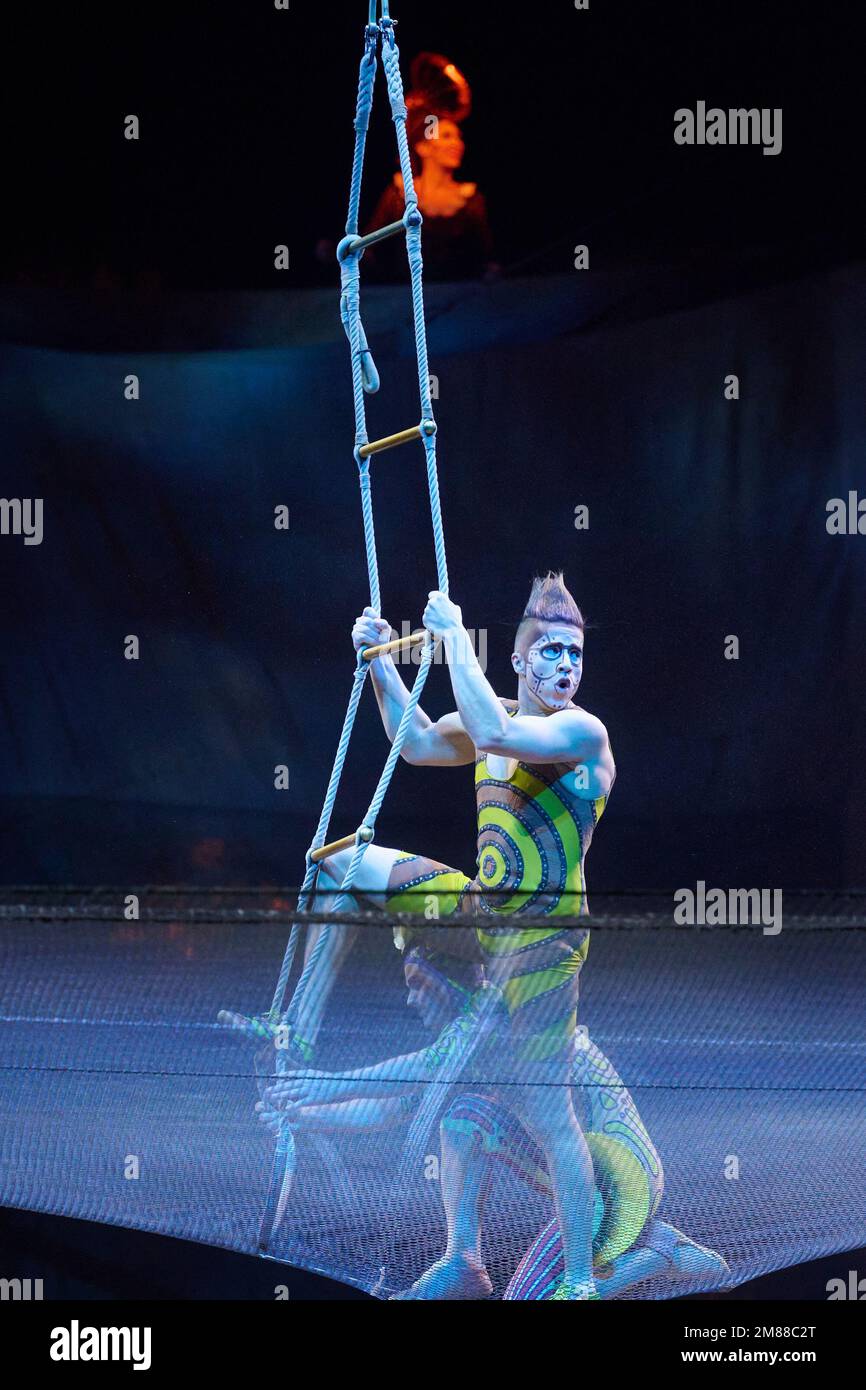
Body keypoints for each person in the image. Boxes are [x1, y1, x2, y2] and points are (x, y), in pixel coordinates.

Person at [276, 571, 616, 1298]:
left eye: (576, 656)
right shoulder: (491, 712)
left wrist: (454, 635)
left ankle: (582, 1282)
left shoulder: (581, 733)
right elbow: (420, 742)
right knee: (346, 866)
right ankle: (295, 1030)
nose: (566, 668)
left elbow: (495, 732)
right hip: (482, 914)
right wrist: (380, 665)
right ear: (520, 661)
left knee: (548, 1108)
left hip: (545, 944)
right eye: (551, 653)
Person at [261, 945, 728, 1299]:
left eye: (418, 984)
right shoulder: (469, 1040)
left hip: (621, 1186)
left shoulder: (493, 1024)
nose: (409, 1000)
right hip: (582, 1170)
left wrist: (325, 1082)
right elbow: (396, 1107)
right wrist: (303, 1114)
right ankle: (462, 1260)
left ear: (452, 985)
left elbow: (415, 1068)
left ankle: (659, 1252)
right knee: (463, 1117)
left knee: (543, 1297)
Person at [365, 105, 494, 281]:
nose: (457, 144)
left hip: (460, 299)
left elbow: (485, 255)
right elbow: (370, 247)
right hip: (404, 298)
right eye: (447, 136)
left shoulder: (470, 199)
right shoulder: (399, 194)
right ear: (423, 148)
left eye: (459, 137)